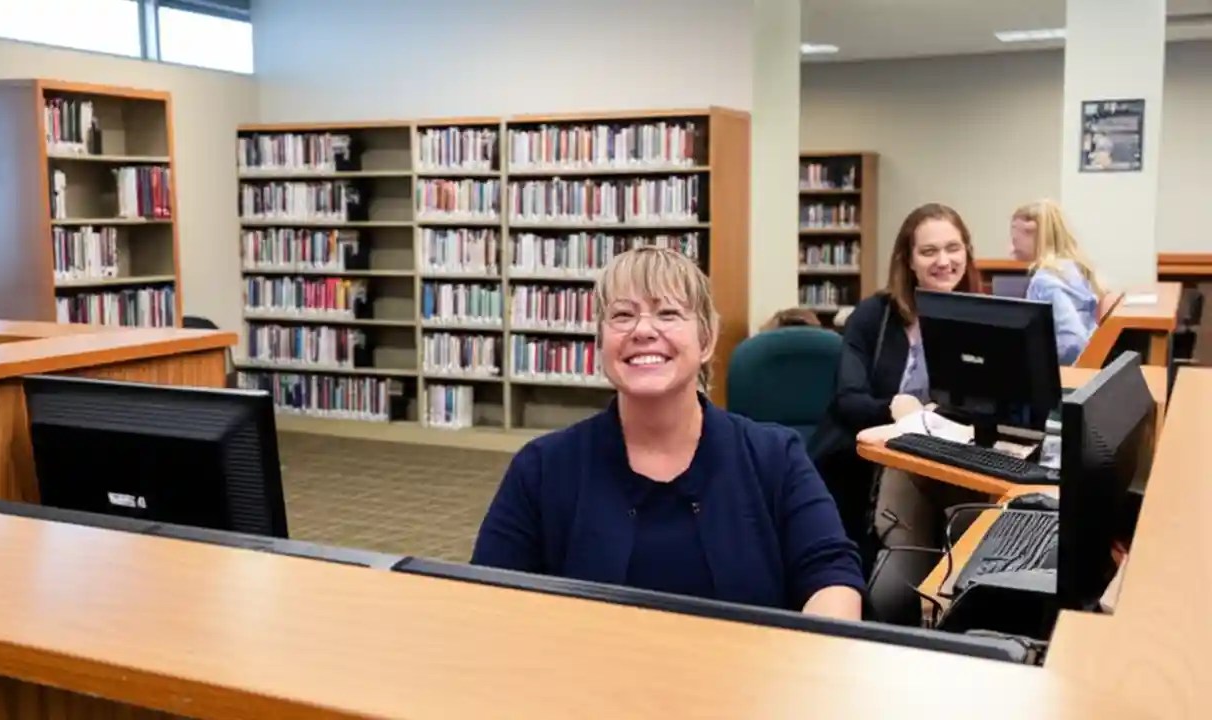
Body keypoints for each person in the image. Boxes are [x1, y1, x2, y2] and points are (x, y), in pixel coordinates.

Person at [471, 247, 865, 619]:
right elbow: (488, 598)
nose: (643, 330)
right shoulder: (542, 468)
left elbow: (832, 576)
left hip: (745, 683)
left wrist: (813, 657)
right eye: (622, 316)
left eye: (668, 313)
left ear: (706, 339)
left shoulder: (775, 456)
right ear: (600, 342)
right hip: (585, 682)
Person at [808, 203, 984, 565]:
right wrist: (893, 407)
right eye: (929, 251)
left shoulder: (981, 317)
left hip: (943, 458)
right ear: (908, 259)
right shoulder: (874, 315)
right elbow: (848, 400)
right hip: (866, 461)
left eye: (953, 248)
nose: (944, 261)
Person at [1010, 200, 1103, 365]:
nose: (1012, 246)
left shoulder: (1044, 281)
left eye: (1015, 238)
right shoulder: (1073, 267)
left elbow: (1073, 342)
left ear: (1035, 235)